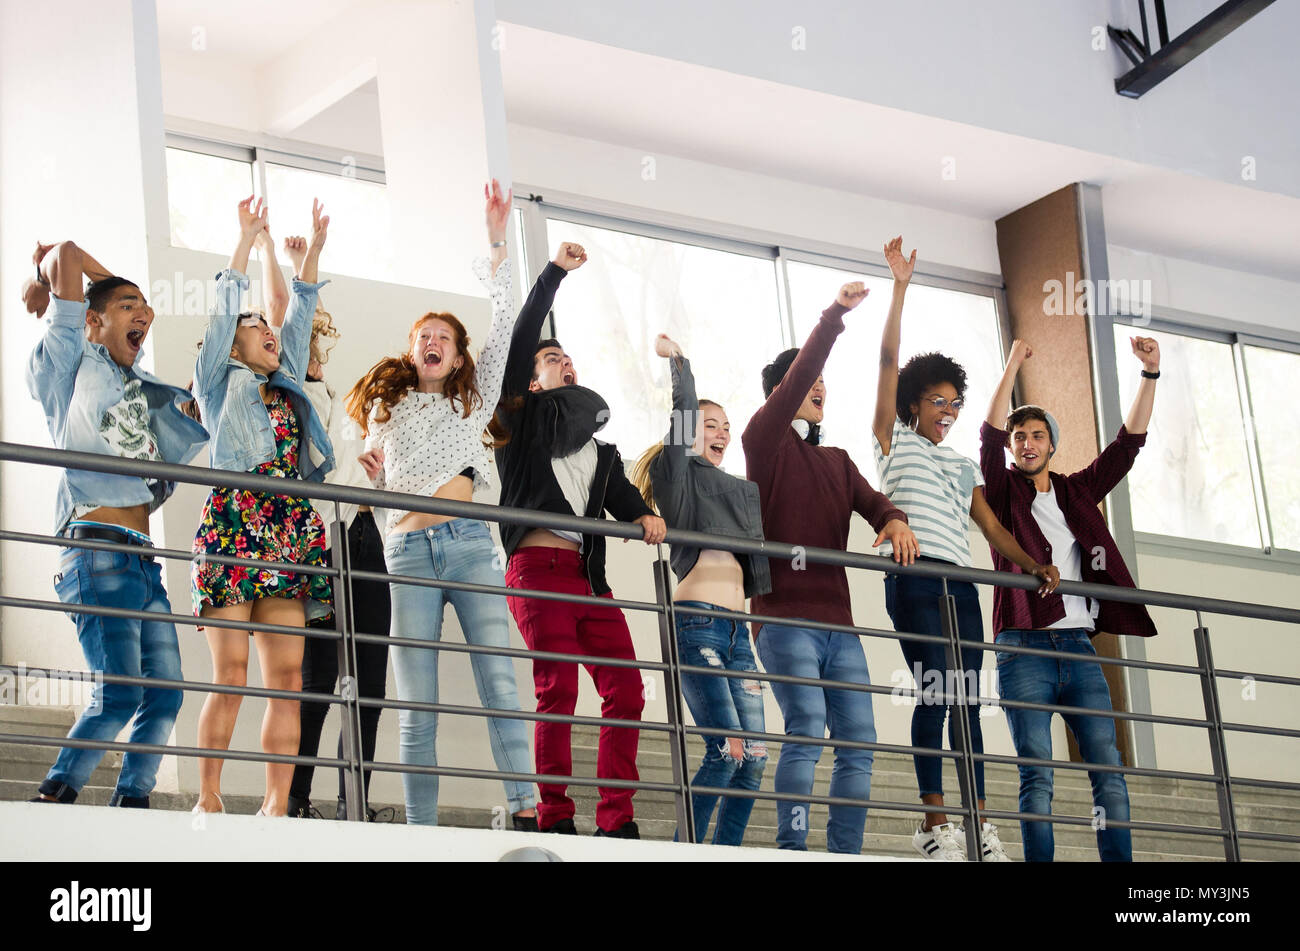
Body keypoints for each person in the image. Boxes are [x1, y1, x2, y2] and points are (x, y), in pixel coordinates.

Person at [347, 180, 537, 829]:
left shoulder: (473, 398)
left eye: (442, 336)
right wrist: (369, 471)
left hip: (468, 547)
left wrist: (494, 239)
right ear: (412, 350)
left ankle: (529, 809)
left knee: (500, 685)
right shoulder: (387, 408)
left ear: (456, 355)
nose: (430, 341)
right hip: (408, 553)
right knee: (415, 704)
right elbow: (377, 491)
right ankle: (420, 832)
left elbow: (506, 316)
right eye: (421, 335)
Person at [871, 236, 1058, 861]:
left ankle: (977, 824)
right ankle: (935, 824)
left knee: (968, 704)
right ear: (913, 404)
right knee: (937, 691)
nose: (947, 413)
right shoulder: (892, 440)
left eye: (955, 404)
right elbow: (889, 360)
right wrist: (899, 289)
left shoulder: (956, 464)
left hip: (961, 584)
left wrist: (1034, 566)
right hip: (915, 577)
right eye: (937, 402)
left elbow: (993, 530)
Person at [24, 239, 208, 807]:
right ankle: (56, 793)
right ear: (92, 321)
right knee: (122, 691)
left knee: (167, 694)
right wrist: (49, 273)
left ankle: (133, 802)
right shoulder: (70, 364)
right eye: (129, 306)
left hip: (142, 560)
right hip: (96, 552)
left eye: (146, 310)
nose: (144, 315)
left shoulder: (137, 386)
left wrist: (123, 298)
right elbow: (70, 255)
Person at [493, 241, 666, 839]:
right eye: (552, 357)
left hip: (588, 580)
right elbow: (519, 342)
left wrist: (646, 515)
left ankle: (616, 820)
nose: (563, 362)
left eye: (568, 357)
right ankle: (555, 816)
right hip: (535, 568)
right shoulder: (518, 422)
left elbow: (626, 501)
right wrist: (554, 275)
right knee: (559, 688)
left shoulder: (605, 452)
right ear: (535, 381)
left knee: (627, 689)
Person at [742, 279, 917, 854]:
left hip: (839, 627)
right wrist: (834, 317)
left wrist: (893, 521)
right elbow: (800, 372)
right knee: (806, 727)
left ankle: (844, 853)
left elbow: (877, 505)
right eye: (808, 382)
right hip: (783, 617)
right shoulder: (763, 440)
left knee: (860, 741)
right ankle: (793, 848)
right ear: (782, 395)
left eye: (824, 384)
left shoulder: (838, 461)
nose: (820, 387)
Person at [980, 336, 1161, 862]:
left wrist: (1149, 374)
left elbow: (1127, 445)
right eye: (1020, 437)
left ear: (1052, 444)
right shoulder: (1001, 489)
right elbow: (986, 436)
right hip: (1024, 646)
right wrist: (1013, 364)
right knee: (1037, 773)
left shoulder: (1077, 491)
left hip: (1080, 650)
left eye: (1037, 435)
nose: (1028, 443)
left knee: (1108, 771)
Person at [190, 197, 335, 817]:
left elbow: (298, 319)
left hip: (291, 529)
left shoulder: (287, 382)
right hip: (233, 524)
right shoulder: (218, 381)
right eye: (257, 328)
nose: (270, 335)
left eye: (270, 330)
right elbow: (226, 314)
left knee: (288, 681)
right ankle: (209, 797)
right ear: (231, 346)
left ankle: (277, 804)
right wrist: (246, 241)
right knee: (230, 675)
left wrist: (311, 258)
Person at [256, 235, 394, 822]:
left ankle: (354, 804)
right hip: (321, 540)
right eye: (298, 342)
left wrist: (375, 477)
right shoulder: (290, 391)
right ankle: (295, 800)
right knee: (314, 679)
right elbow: (286, 305)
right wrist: (276, 251)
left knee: (368, 684)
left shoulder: (339, 401)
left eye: (313, 346)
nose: (309, 351)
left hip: (365, 538)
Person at [630, 333, 771, 846]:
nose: (720, 433)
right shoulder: (680, 476)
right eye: (709, 425)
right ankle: (685, 851)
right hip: (700, 624)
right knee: (728, 749)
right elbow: (683, 415)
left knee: (754, 758)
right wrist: (680, 364)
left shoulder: (734, 489)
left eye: (726, 428)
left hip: (738, 633)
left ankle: (725, 855)